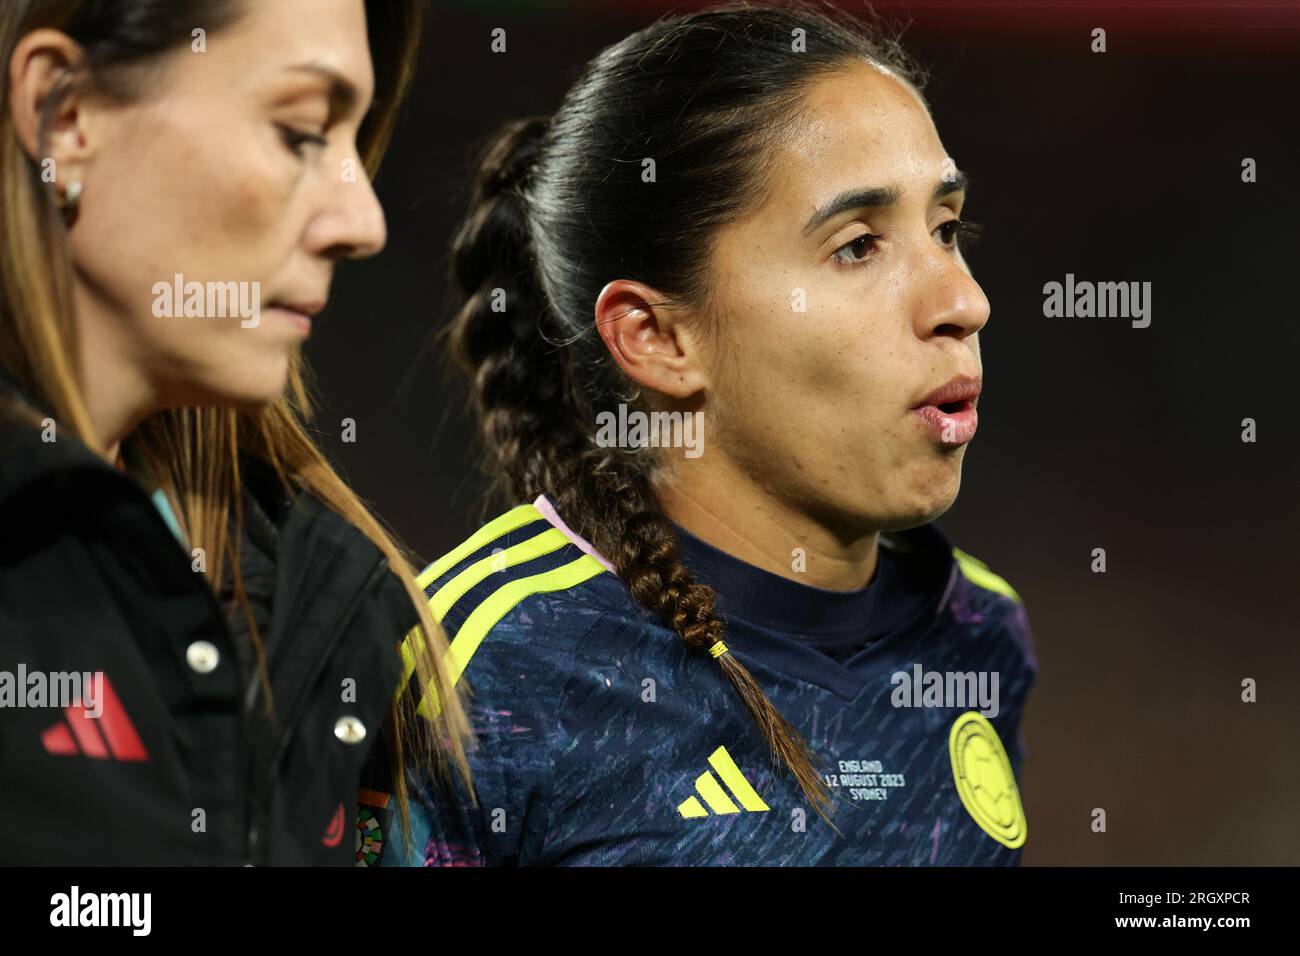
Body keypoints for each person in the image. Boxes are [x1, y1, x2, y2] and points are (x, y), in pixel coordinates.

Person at [391, 1, 1038, 866]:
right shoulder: (479, 667)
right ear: (658, 337)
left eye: (946, 228)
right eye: (857, 247)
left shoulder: (980, 629)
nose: (964, 302)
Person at [0, 0, 469, 865]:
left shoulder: (315, 592)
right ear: (62, 115)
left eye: (353, 144)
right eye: (299, 131)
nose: (363, 222)